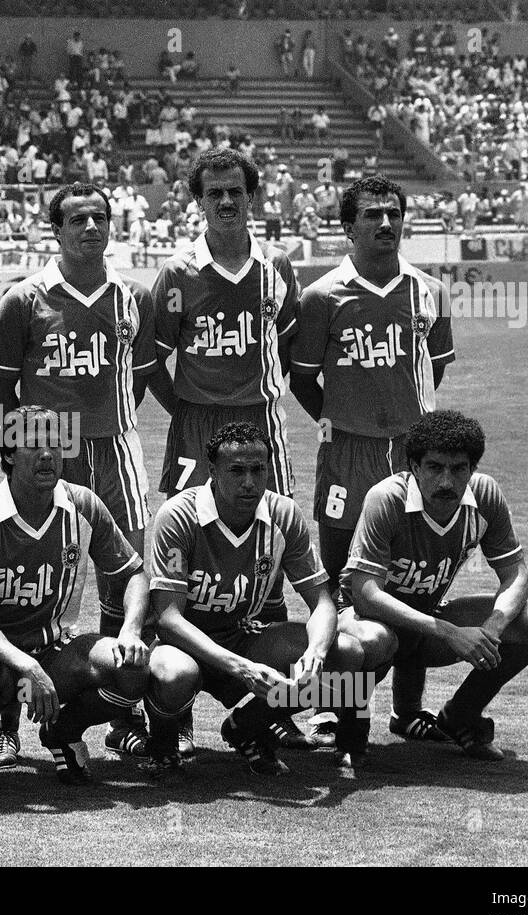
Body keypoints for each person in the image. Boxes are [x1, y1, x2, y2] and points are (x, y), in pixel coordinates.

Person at [0, 182, 157, 763]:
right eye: (77, 219)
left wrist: (105, 421)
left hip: (114, 444)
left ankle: (119, 709)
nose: (91, 228)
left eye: (100, 218)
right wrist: (26, 451)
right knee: (15, 575)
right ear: (54, 230)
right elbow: (0, 390)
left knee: (125, 573)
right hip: (46, 446)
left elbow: (137, 378)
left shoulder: (133, 297)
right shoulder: (24, 299)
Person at [289, 175, 454, 735]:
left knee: (416, 579)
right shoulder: (321, 297)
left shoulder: (430, 290)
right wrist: (345, 424)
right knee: (339, 581)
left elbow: (438, 365)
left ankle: (407, 712)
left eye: (394, 213)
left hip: (414, 458)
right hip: (347, 457)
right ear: (348, 226)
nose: (386, 224)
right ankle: (335, 709)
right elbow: (304, 380)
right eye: (372, 215)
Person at [146, 421, 395, 773]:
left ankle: (246, 727)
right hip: (185, 644)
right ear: (213, 472)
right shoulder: (179, 515)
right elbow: (169, 620)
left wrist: (315, 653)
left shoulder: (283, 513)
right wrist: (242, 669)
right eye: (236, 471)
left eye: (258, 470)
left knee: (348, 654)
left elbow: (322, 602)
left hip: (243, 635)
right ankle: (163, 745)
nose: (249, 482)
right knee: (175, 675)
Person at [0, 406, 152, 789]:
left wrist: (130, 630)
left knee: (132, 668)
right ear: (8, 454)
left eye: (56, 444)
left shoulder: (83, 505)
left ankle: (63, 731)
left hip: (56, 653)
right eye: (34, 445)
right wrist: (26, 666)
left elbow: (134, 575)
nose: (48, 455)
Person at [337, 410, 528, 758]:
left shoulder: (484, 496)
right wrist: (449, 631)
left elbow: (516, 574)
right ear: (414, 466)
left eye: (458, 469)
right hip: (361, 623)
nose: (447, 482)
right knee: (376, 639)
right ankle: (348, 727)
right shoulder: (387, 499)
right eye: (435, 467)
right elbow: (365, 594)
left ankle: (460, 717)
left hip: (427, 623)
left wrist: (492, 629)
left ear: (473, 469)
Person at [147, 149, 300, 623]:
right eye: (215, 193)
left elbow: (289, 347)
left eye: (236, 191)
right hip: (197, 421)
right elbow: (153, 358)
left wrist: (261, 392)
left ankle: (270, 649)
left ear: (252, 195)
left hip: (261, 419)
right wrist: (188, 407)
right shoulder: (178, 272)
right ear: (198, 201)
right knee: (188, 534)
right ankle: (177, 656)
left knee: (268, 530)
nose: (227, 201)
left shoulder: (277, 265)